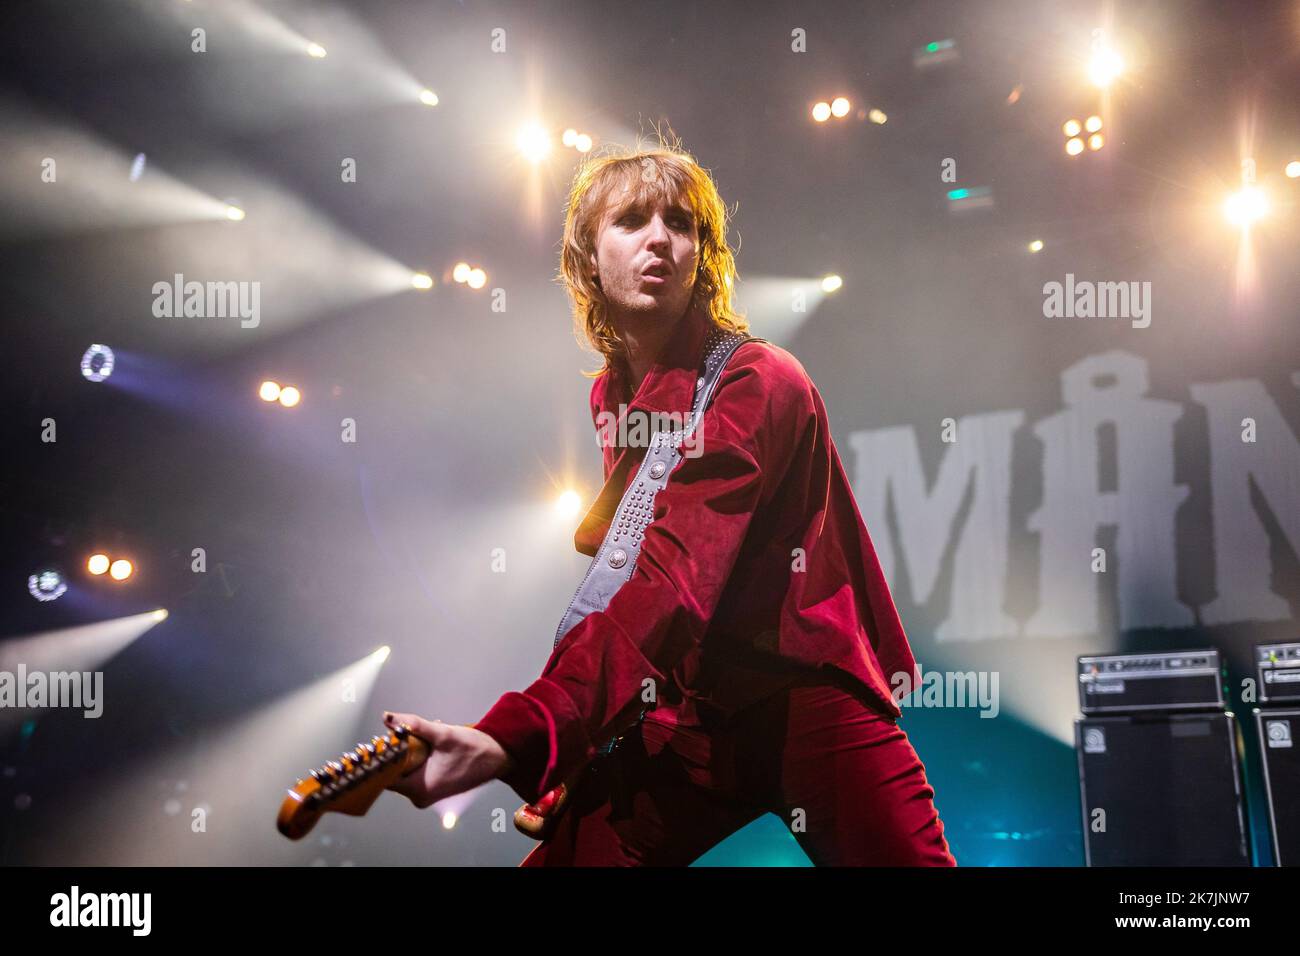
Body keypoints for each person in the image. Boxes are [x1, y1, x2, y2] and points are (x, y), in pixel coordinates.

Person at [383, 140, 956, 867]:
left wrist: (522, 734)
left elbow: (674, 582)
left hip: (804, 697)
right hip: (687, 716)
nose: (660, 237)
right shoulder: (614, 396)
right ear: (587, 258)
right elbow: (628, 580)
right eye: (631, 220)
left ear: (702, 255)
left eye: (680, 223)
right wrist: (581, 738)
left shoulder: (758, 381)